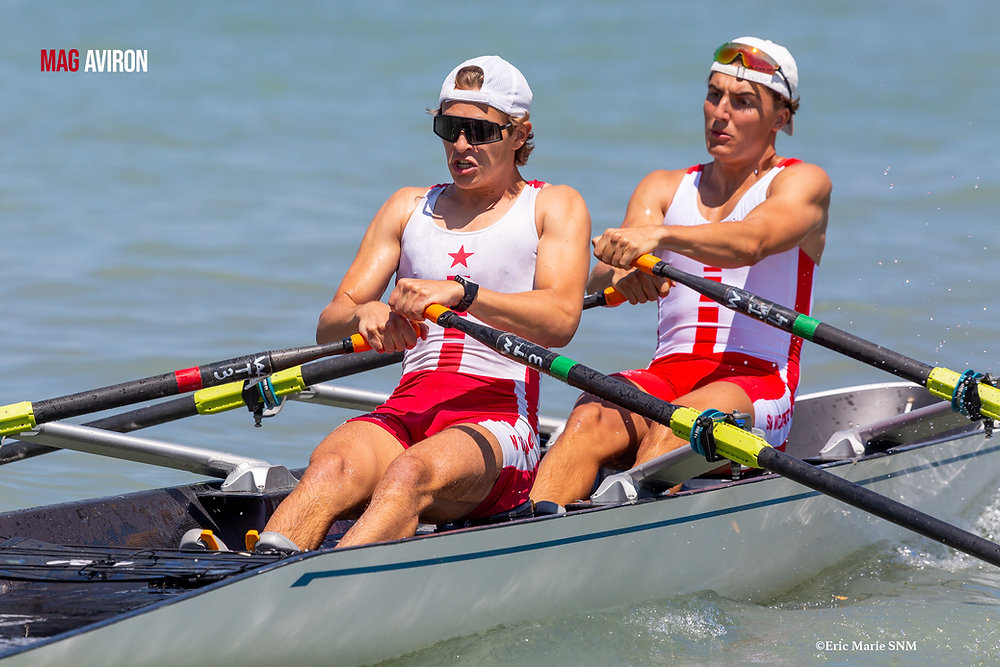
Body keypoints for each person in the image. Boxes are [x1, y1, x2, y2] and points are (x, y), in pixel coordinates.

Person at [255, 55, 591, 552]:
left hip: (498, 421)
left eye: (479, 131)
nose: (460, 145)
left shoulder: (553, 205)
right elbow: (330, 324)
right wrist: (363, 313)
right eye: (449, 127)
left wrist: (464, 292)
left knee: (407, 473)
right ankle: (259, 571)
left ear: (520, 135)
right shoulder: (408, 206)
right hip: (408, 407)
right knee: (330, 464)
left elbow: (561, 321)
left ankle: (321, 594)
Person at [530, 37, 831, 509]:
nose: (721, 112)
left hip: (759, 385)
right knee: (590, 414)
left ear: (781, 119)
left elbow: (751, 242)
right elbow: (601, 276)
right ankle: (530, 538)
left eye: (743, 102)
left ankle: (623, 537)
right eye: (714, 95)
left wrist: (663, 238)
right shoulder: (663, 189)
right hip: (666, 376)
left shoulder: (802, 183)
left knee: (684, 420)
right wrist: (620, 276)